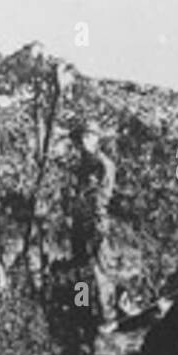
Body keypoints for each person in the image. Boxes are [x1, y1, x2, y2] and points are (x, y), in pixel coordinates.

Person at [64, 120, 118, 331]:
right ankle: (82, 310)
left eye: (89, 136)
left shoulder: (103, 165)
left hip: (95, 220)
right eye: (82, 138)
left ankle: (109, 317)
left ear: (97, 139)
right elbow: (74, 194)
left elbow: (102, 197)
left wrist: (96, 222)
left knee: (100, 269)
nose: (84, 142)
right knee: (80, 269)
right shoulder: (81, 166)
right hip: (79, 221)